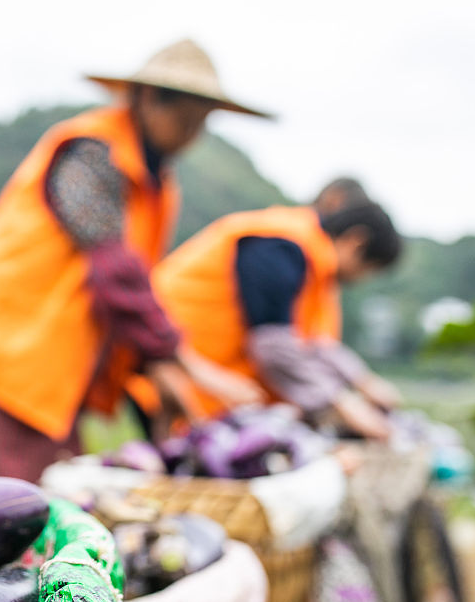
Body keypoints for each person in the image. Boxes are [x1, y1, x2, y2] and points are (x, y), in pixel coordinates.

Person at [0, 39, 272, 481]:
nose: (190, 134)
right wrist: (188, 364)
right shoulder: (90, 154)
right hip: (2, 352)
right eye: (184, 118)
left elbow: (132, 288)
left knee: (50, 495)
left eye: (200, 122)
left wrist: (154, 366)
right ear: (147, 98)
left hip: (49, 371)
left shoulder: (157, 185)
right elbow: (116, 272)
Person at [151, 178, 404, 440]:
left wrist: (361, 381)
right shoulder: (281, 247)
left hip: (202, 380)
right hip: (171, 370)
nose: (361, 279)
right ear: (356, 242)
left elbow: (312, 343)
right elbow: (273, 345)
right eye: (369, 270)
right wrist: (341, 403)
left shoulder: (312, 263)